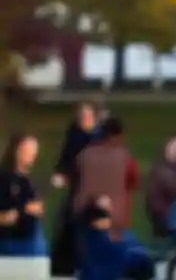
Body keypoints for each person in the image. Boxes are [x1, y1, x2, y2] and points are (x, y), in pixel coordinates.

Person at [50, 102, 98, 276]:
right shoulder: (74, 135)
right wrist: (61, 173)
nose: (84, 119)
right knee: (69, 224)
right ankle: (65, 267)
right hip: (77, 190)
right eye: (81, 115)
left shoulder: (99, 138)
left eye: (87, 115)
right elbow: (66, 159)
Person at [73, 117, 139, 240]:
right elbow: (133, 182)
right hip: (113, 219)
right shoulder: (125, 158)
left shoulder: (86, 155)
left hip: (87, 216)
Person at [78, 194, 155, 280]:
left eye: (108, 213)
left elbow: (139, 257)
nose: (106, 218)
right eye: (102, 214)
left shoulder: (121, 234)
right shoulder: (94, 239)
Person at [0, 134, 46, 258]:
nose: (33, 154)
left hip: (31, 239)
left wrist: (37, 209)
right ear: (17, 151)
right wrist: (24, 209)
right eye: (29, 149)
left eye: (34, 150)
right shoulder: (5, 178)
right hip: (11, 241)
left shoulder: (29, 179)